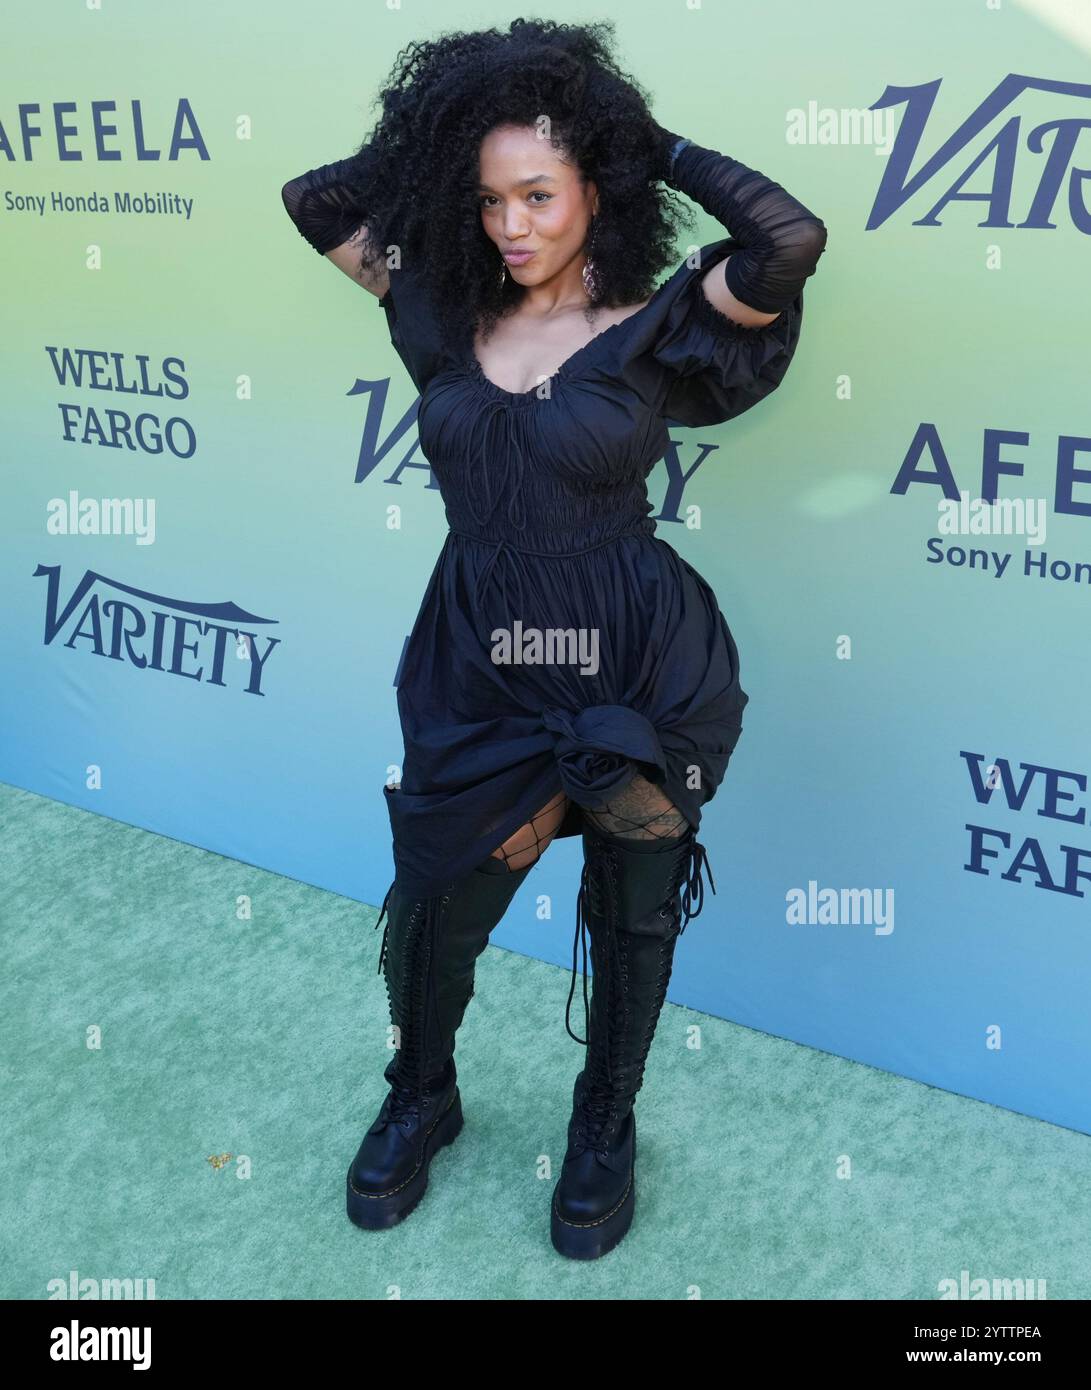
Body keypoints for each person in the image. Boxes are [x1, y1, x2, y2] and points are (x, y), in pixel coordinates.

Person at [282, 16, 827, 1261]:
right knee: (439, 904)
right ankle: (423, 1091)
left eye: (540, 192)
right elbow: (313, 201)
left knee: (633, 905)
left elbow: (787, 237)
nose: (512, 225)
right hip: (478, 662)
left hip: (636, 654)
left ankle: (604, 1120)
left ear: (597, 191)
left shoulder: (665, 318)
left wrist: (648, 138)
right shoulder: (429, 309)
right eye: (486, 200)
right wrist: (436, 128)